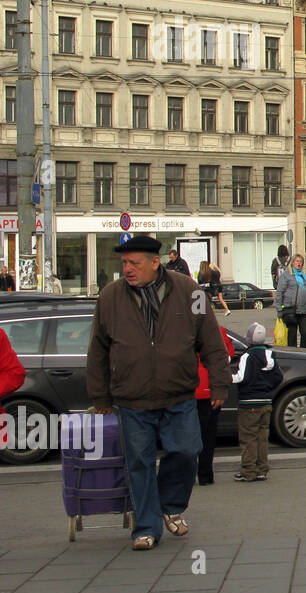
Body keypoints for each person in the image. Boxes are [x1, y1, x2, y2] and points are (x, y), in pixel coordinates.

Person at [86, 234, 231, 550]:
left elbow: (210, 340)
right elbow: (97, 349)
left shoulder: (189, 291)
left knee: (187, 451)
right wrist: (100, 396)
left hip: (178, 394)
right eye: (124, 263)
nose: (127, 269)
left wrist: (220, 383)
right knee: (139, 463)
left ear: (155, 262)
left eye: (134, 263)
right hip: (131, 398)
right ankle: (145, 528)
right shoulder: (110, 297)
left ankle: (171, 505)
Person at [231, 322, 283, 482]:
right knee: (262, 437)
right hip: (266, 402)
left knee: (248, 438)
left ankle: (248, 470)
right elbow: (278, 377)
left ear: (249, 340)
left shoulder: (248, 356)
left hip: (249, 403)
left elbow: (242, 377)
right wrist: (268, 390)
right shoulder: (270, 355)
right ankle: (262, 469)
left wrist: (227, 377)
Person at [194, 325, 235, 486]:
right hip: (210, 390)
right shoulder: (217, 329)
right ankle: (205, 475)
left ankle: (186, 475)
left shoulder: (182, 326)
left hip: (187, 389)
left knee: (186, 437)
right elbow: (228, 354)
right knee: (208, 437)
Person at [276, 253, 306, 349]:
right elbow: (279, 292)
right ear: (292, 262)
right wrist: (279, 309)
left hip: (304, 310)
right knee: (292, 336)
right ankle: (293, 355)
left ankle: (305, 353)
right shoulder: (287, 275)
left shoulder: (304, 276)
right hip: (290, 310)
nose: (299, 263)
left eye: (301, 262)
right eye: (297, 261)